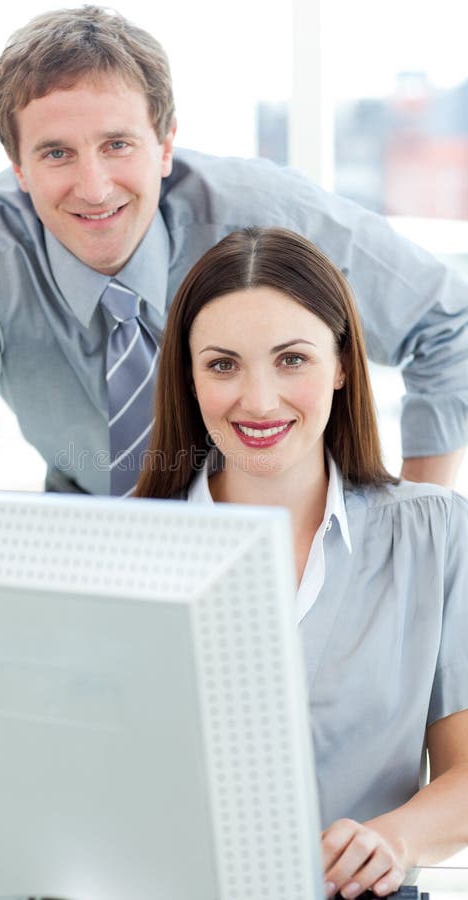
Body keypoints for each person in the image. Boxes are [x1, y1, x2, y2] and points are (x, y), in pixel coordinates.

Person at [0, 5, 468, 502]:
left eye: (117, 144)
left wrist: (412, 544)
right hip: (97, 548)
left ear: (165, 146)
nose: (93, 187)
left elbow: (450, 325)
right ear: (18, 167)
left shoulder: (262, 216)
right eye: (56, 154)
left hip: (288, 541)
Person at [135, 226, 468, 899]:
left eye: (292, 360)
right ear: (189, 378)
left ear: (343, 364)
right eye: (223, 365)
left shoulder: (436, 534)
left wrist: (392, 840)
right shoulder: (123, 548)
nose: (259, 401)